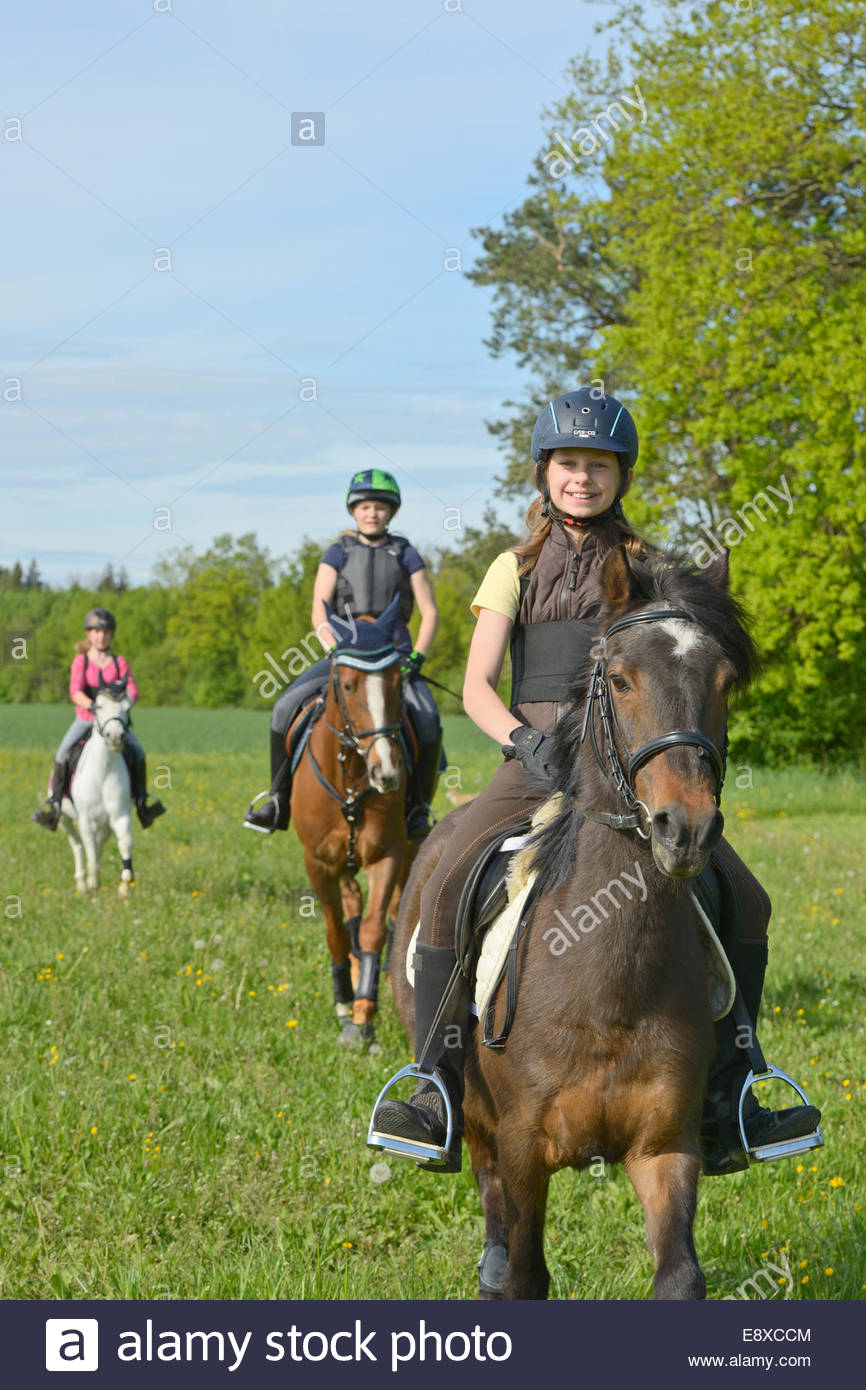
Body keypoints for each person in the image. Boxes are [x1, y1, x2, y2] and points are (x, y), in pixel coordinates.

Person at [371, 387, 821, 1175]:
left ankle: (735, 1088)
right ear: (546, 472)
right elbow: (477, 682)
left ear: (622, 476)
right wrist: (523, 740)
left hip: (626, 771)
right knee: (444, 882)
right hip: (534, 761)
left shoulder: (651, 569)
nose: (584, 478)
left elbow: (682, 666)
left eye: (600, 466)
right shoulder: (511, 568)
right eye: (570, 464)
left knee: (746, 898)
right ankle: (434, 1087)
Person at [243, 469, 443, 842]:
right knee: (285, 707)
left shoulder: (407, 553)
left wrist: (417, 656)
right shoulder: (337, 552)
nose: (372, 513)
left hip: (392, 660)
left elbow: (429, 611)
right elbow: (319, 609)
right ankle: (277, 800)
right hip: (344, 657)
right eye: (365, 507)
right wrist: (331, 648)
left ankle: (418, 809)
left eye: (380, 507)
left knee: (429, 722)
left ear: (391, 513)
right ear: (354, 511)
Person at [32, 607, 166, 830]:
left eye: (105, 632)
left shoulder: (119, 662)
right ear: (88, 634)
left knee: (139, 752)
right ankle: (55, 804)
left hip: (114, 723)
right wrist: (94, 706)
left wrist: (122, 707)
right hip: (86, 719)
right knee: (63, 753)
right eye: (96, 631)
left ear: (112, 635)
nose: (101, 636)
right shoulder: (81, 662)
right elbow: (75, 691)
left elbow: (133, 690)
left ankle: (142, 803)